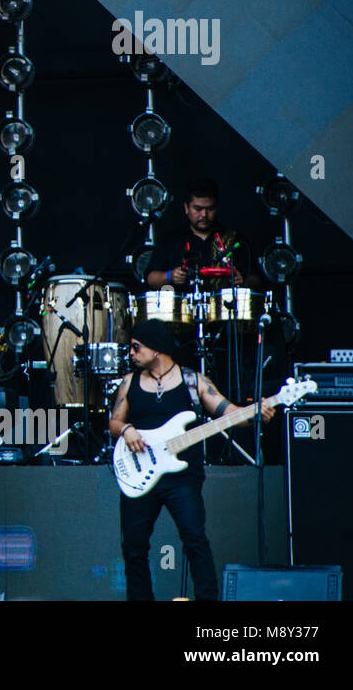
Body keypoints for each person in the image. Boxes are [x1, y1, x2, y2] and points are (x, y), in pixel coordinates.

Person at [108, 319, 274, 601]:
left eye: (136, 347)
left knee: (195, 540)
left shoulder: (192, 381)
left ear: (156, 349)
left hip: (182, 478)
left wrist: (254, 413)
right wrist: (126, 429)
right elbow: (114, 421)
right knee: (134, 547)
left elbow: (227, 412)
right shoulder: (129, 382)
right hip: (140, 474)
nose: (131, 354)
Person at [145, 179, 258, 290]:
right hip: (181, 307)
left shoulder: (234, 239)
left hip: (223, 306)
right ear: (186, 208)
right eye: (198, 209)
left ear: (217, 207)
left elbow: (257, 280)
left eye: (210, 209)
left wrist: (243, 280)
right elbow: (150, 278)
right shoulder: (171, 239)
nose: (204, 214)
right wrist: (170, 276)